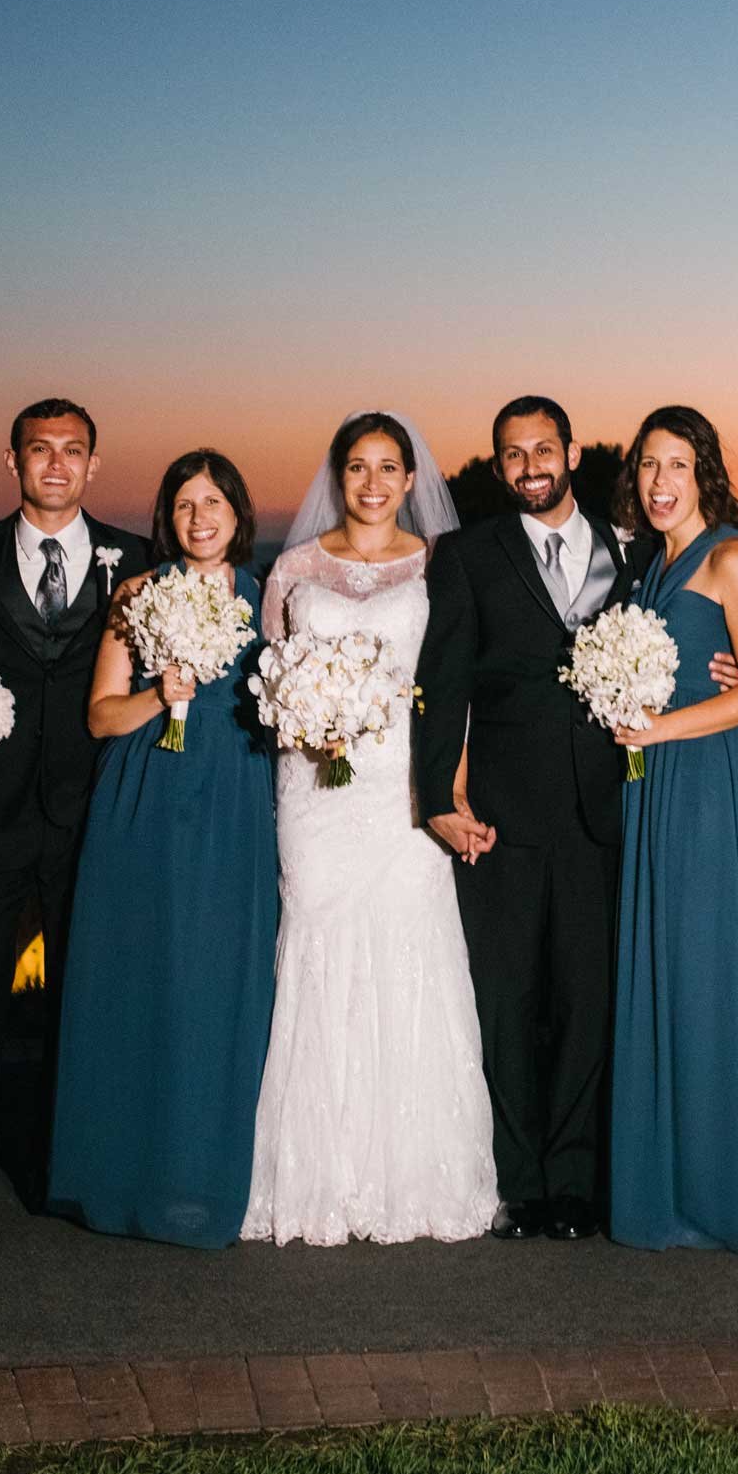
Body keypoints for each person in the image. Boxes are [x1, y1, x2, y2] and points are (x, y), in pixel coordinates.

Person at [244, 412, 497, 1245]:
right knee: (316, 949)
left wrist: (447, 792)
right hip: (315, 789)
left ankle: (414, 1176)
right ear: (338, 474)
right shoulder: (292, 569)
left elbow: (452, 687)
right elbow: (271, 678)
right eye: (358, 466)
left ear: (412, 476)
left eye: (390, 466)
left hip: (401, 787)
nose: (374, 483)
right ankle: (319, 1178)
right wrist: (302, 717)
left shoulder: (440, 563)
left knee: (410, 948)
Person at [414, 396, 632, 1242]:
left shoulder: (627, 550)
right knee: (505, 999)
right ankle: (520, 1180)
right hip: (502, 811)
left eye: (545, 447)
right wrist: (438, 796)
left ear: (572, 451)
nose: (530, 464)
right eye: (513, 452)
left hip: (602, 808)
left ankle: (575, 1180)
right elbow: (445, 679)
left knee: (586, 999)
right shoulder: (468, 554)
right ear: (498, 463)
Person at [46, 451, 278, 1246]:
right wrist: (160, 692)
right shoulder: (136, 594)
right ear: (165, 518)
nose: (198, 516)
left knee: (215, 978)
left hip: (234, 801)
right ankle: (119, 1173)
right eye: (183, 503)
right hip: (144, 796)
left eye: (212, 500)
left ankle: (201, 1174)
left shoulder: (266, 598)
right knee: (139, 973)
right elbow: (100, 716)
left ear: (237, 511)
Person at [0, 399, 153, 1217]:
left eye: (72, 451)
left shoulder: (134, 558)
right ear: (12, 459)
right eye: (40, 450)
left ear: (94, 465)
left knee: (79, 993)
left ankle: (63, 1158)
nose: (56, 464)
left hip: (90, 806)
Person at [606, 406, 738, 1254]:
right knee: (665, 970)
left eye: (677, 465)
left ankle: (724, 1190)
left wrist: (661, 727)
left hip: (709, 787)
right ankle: (668, 1181)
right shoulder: (653, 566)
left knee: (710, 974)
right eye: (649, 465)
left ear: (706, 472)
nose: (660, 482)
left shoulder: (730, 555)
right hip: (654, 787)